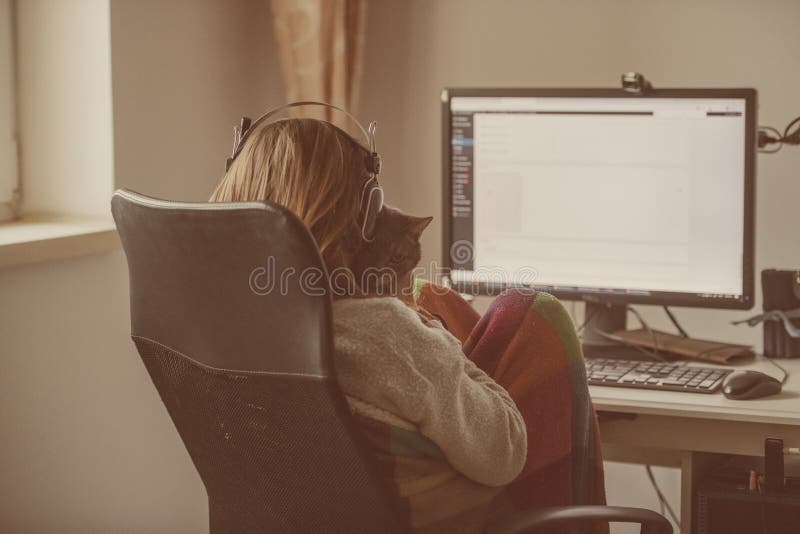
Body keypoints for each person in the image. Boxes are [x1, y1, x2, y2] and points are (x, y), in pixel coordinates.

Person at [210, 117, 527, 487]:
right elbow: (504, 452)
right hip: (437, 516)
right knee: (533, 311)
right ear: (362, 212)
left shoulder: (219, 318)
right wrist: (435, 339)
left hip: (295, 511)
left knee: (440, 298)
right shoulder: (382, 330)